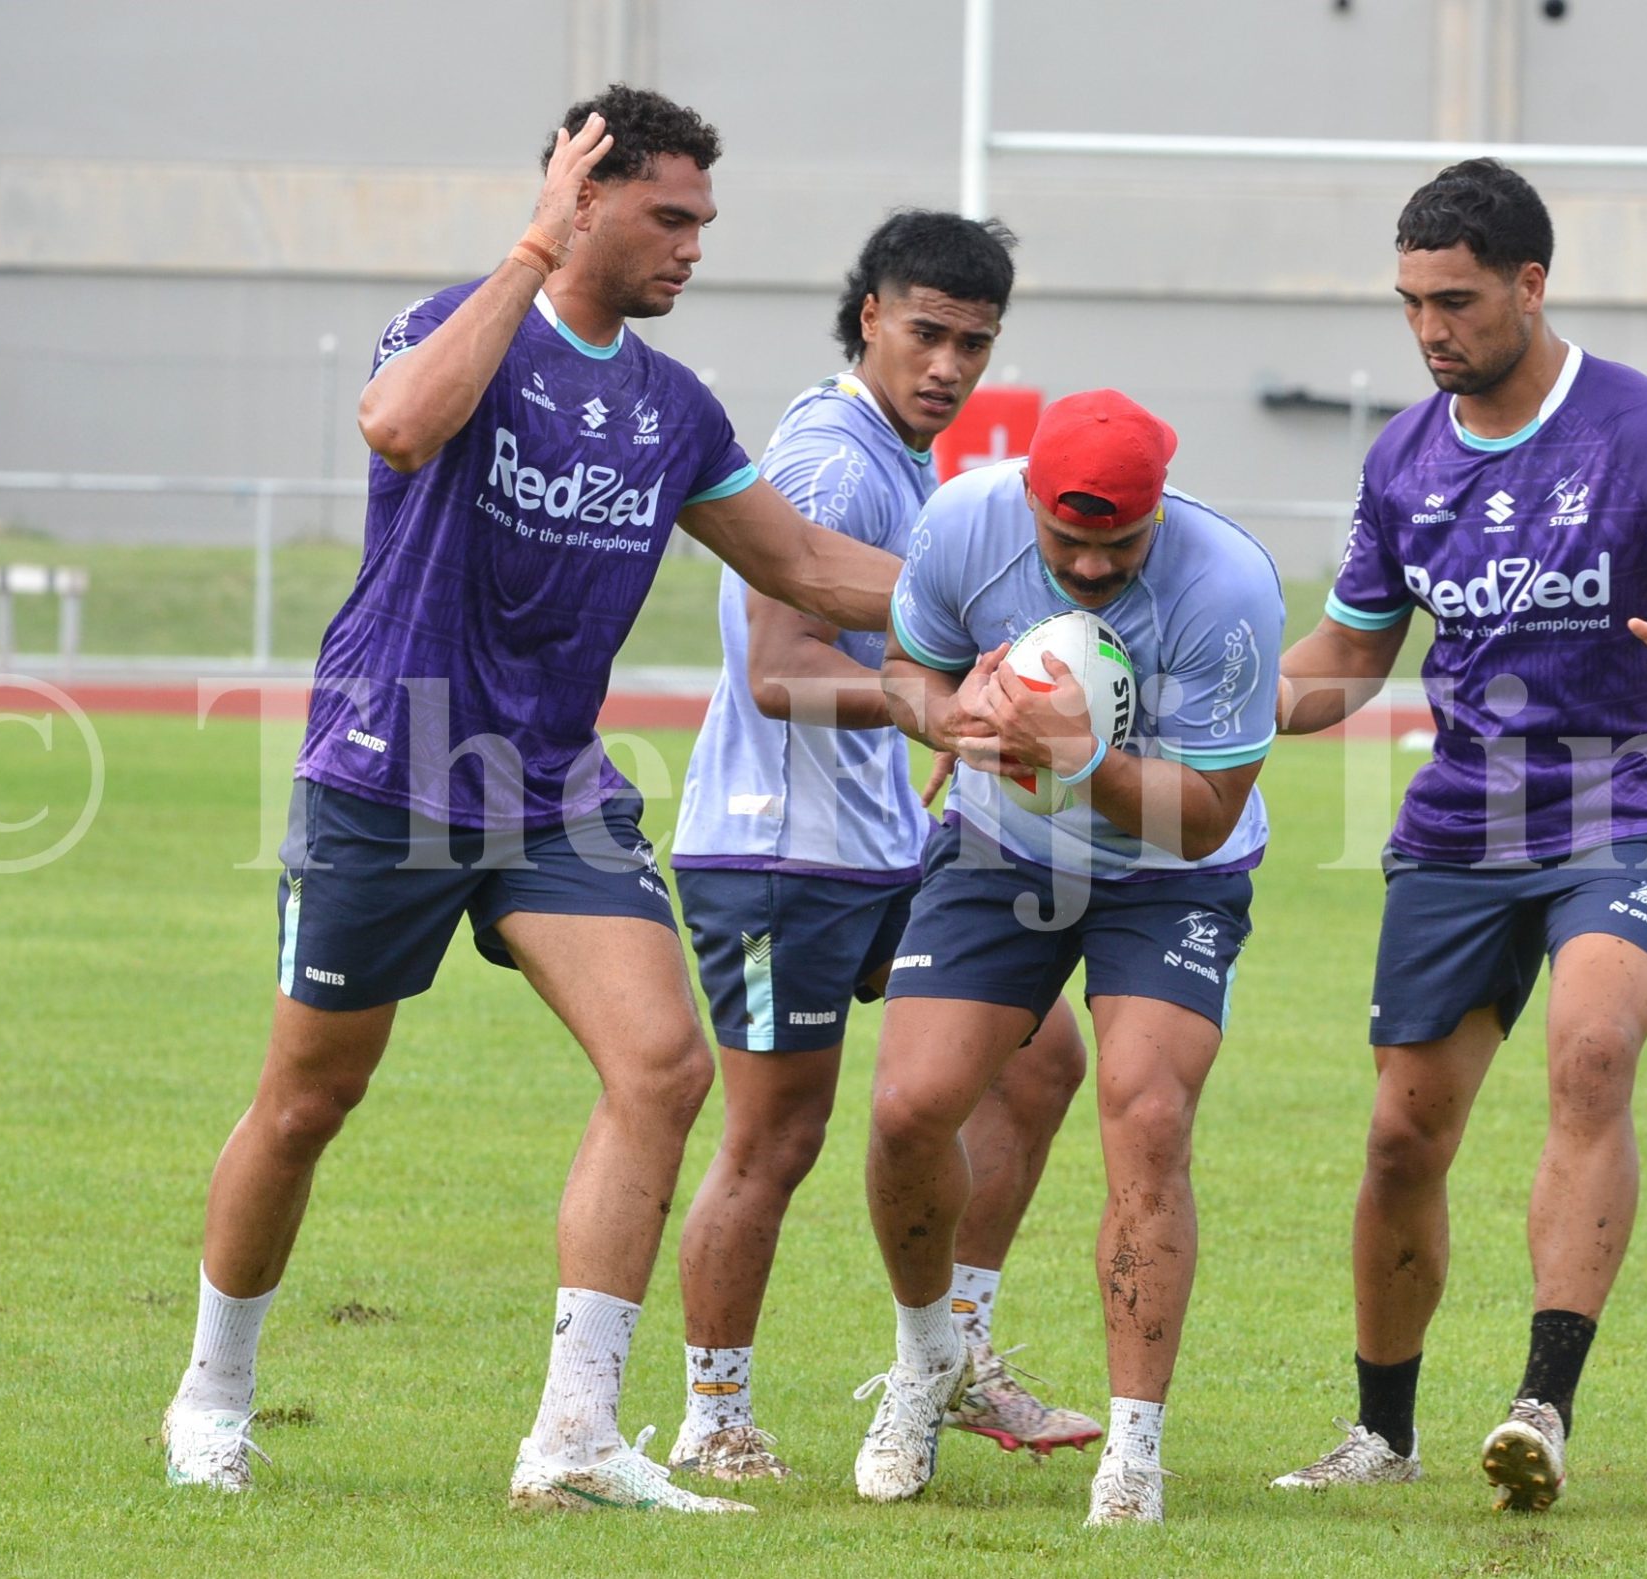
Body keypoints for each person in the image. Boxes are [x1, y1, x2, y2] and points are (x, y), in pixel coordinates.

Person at [157, 86, 900, 1516]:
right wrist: (524, 254)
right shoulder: (463, 326)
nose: (693, 247)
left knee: (663, 1066)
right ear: (587, 203)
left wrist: (988, 605)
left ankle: (572, 1437)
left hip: (550, 786)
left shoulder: (673, 406)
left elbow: (804, 563)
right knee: (311, 1100)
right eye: (668, 216)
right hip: (386, 766)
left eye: (703, 220)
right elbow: (393, 425)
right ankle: (212, 1393)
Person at [1268, 159, 1647, 1512]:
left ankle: (1539, 1406)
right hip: (1463, 820)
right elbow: (1345, 656)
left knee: (1592, 1049)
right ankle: (1379, 1429)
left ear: (1529, 282)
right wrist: (1193, 704)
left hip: (1633, 803)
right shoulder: (1403, 457)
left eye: (1454, 300)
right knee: (1405, 1136)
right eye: (1409, 304)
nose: (1430, 329)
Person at [666, 211, 1098, 1482]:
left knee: (1036, 1061)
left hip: (880, 847)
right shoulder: (831, 459)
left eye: (975, 342)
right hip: (772, 852)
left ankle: (949, 1356)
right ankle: (715, 1416)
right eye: (928, 333)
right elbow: (783, 674)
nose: (951, 366)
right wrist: (946, 704)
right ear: (871, 317)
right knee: (775, 1140)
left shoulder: (911, 465)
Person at [856, 389, 1285, 1527]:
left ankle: (1133, 1455)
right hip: (1003, 848)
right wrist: (942, 718)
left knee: (1146, 1114)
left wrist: (1080, 761)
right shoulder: (961, 523)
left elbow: (1202, 815)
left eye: (1119, 546)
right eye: (1067, 542)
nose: (1091, 568)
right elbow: (907, 664)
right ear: (1030, 501)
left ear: (1159, 515)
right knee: (908, 1108)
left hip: (1170, 872)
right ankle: (925, 1364)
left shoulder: (1227, 584)